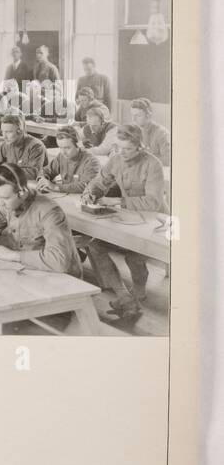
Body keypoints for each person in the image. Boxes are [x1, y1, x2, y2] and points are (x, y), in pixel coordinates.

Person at [80, 124, 168, 323]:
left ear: (140, 147)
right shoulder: (116, 159)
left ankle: (138, 294)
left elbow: (153, 202)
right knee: (94, 245)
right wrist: (91, 192)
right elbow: (100, 181)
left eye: (127, 148)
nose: (122, 153)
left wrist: (117, 201)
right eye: (119, 147)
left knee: (133, 256)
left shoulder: (152, 164)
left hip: (156, 222)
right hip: (129, 218)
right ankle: (124, 297)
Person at [0, 163, 83, 278]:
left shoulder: (49, 212)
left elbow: (59, 261)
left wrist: (13, 255)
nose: (0, 203)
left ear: (22, 193)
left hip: (62, 278)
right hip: (31, 271)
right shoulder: (7, 205)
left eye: (5, 198)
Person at [36, 125, 100, 195]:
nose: (63, 152)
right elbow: (45, 170)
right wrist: (42, 180)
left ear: (78, 145)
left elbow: (86, 185)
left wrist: (55, 187)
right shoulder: (61, 157)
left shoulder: (92, 162)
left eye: (67, 148)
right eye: (60, 147)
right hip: (68, 197)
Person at [130, 98, 171, 165]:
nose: (133, 119)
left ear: (148, 116)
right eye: (132, 115)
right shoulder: (132, 131)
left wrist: (143, 159)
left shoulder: (162, 133)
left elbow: (168, 159)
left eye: (138, 115)